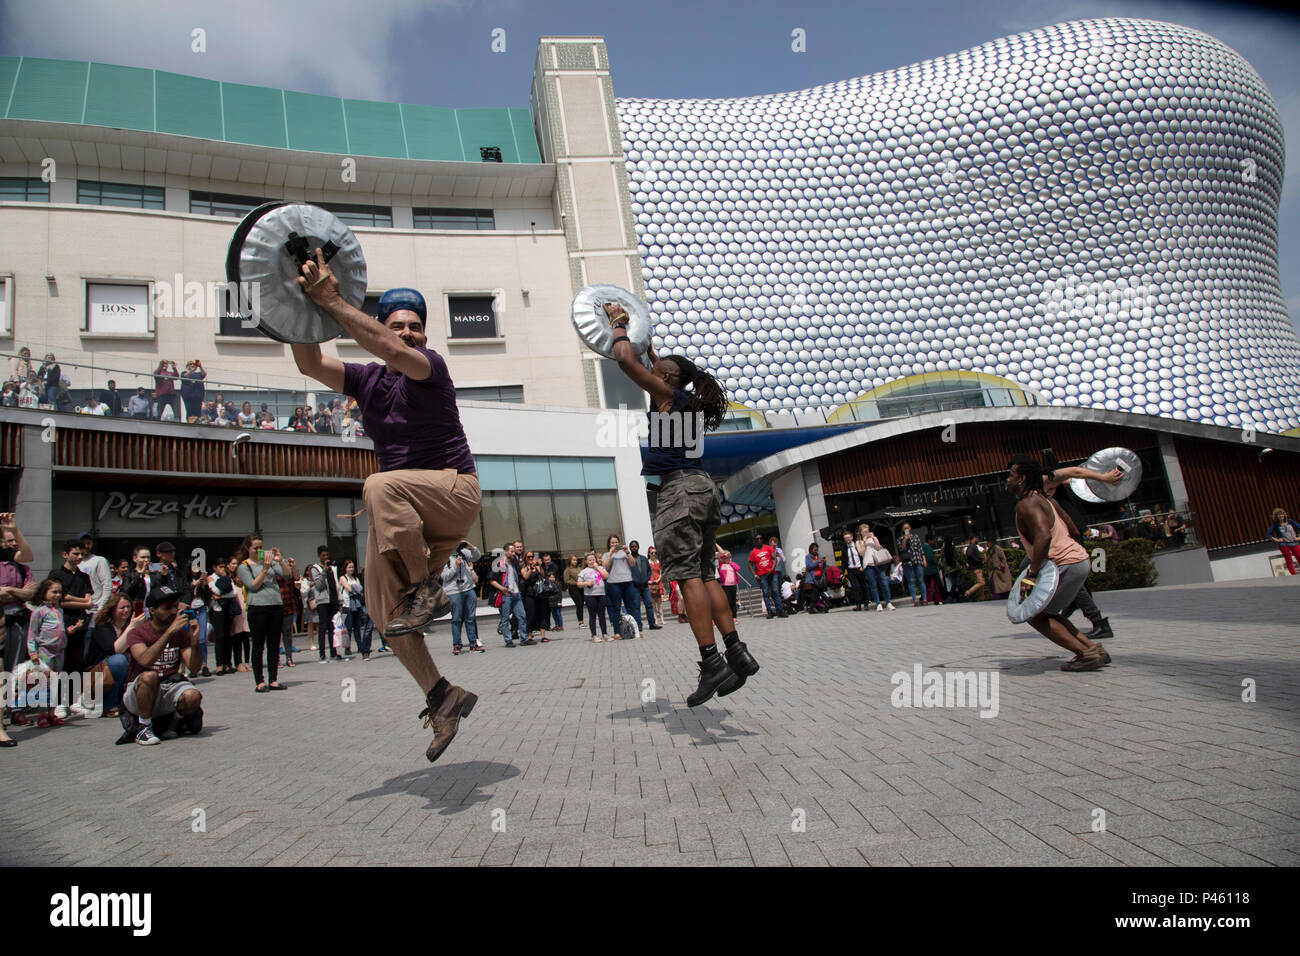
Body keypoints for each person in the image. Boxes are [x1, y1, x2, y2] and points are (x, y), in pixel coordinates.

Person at [293, 262, 482, 764]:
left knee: (377, 485)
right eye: (396, 324)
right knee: (385, 614)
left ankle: (427, 588)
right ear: (380, 327)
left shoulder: (430, 366)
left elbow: (393, 352)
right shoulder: (367, 379)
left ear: (424, 334)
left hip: (452, 492)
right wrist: (296, 309)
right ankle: (442, 696)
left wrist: (332, 301)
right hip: (406, 517)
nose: (405, 333)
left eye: (414, 326)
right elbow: (311, 364)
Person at [604, 299, 759, 705]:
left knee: (687, 576)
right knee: (706, 575)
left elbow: (623, 359)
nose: (651, 371)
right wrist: (652, 351)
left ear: (666, 377)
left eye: (656, 370)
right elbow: (656, 363)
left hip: (679, 492)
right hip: (704, 489)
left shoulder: (667, 394)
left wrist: (618, 324)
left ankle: (712, 664)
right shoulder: (684, 398)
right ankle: (736, 651)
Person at [1007, 454, 1111, 672]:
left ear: (1022, 479)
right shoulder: (1046, 499)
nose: (1007, 479)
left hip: (1064, 563)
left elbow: (1043, 536)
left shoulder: (1026, 504)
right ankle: (1094, 649)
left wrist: (1032, 574)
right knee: (1049, 614)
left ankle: (1086, 655)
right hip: (1075, 560)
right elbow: (1073, 528)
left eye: (1011, 475)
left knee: (1036, 616)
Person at [121, 585, 203, 745]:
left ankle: (175, 722)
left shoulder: (180, 633)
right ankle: (144, 728)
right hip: (140, 691)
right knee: (150, 676)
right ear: (152, 610)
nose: (173, 612)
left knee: (193, 696)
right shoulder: (138, 633)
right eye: (167, 608)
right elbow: (145, 661)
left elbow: (194, 668)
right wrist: (169, 633)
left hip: (167, 687)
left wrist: (195, 642)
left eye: (174, 607)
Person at [24, 579, 82, 727]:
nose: (57, 595)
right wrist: (33, 652)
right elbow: (32, 633)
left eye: (59, 592)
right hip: (45, 652)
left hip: (59, 652)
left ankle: (52, 712)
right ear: (44, 593)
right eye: (54, 592)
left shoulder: (59, 610)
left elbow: (59, 630)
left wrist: (71, 629)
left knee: (55, 682)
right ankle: (42, 714)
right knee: (44, 683)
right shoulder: (39, 611)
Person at [235, 534, 287, 692]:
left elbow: (287, 574)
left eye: (260, 547)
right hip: (257, 607)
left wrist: (280, 559)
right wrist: (264, 569)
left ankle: (273, 680)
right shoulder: (244, 566)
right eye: (255, 548)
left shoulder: (269, 562)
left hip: (275, 605)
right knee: (258, 645)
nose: (258, 550)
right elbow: (252, 586)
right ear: (247, 549)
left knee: (273, 644)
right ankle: (259, 681)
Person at [82, 593, 134, 718]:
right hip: (98, 675)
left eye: (128, 607)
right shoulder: (102, 627)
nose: (126, 610)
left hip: (118, 672)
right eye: (122, 608)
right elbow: (114, 650)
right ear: (113, 609)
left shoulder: (128, 626)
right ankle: (108, 705)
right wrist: (131, 627)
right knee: (119, 661)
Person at [0, 514, 37, 680]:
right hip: (2, 619)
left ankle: (10, 702)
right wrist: (18, 591)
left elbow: (30, 593)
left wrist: (9, 590)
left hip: (19, 622)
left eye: (15, 540)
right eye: (10, 541)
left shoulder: (23, 568)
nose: (14, 544)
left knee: (16, 667)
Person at [443, 541, 483, 655]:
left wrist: (471, 546)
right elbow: (444, 577)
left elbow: (477, 556)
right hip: (454, 592)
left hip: (468, 589)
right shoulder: (443, 557)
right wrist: (455, 566)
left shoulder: (463, 553)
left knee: (470, 618)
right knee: (456, 619)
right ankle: (457, 644)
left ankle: (473, 643)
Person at [489, 542, 527, 647]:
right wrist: (502, 588)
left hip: (516, 593)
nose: (514, 553)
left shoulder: (514, 562)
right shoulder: (499, 564)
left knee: (522, 615)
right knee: (505, 618)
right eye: (511, 551)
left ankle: (524, 639)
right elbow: (491, 579)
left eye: (514, 551)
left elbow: (521, 574)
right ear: (505, 551)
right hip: (506, 594)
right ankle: (508, 640)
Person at [602, 535, 638, 634]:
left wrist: (627, 552)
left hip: (627, 582)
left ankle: (635, 630)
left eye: (616, 542)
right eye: (612, 543)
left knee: (631, 606)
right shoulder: (606, 554)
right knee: (616, 608)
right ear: (609, 544)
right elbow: (605, 566)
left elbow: (633, 563)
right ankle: (617, 632)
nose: (615, 544)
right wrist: (610, 553)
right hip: (613, 583)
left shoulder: (624, 553)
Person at [856, 523, 895, 611]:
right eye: (864, 532)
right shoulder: (859, 542)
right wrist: (865, 542)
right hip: (868, 564)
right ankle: (878, 603)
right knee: (873, 585)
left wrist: (874, 539)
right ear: (861, 532)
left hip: (878, 563)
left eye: (867, 531)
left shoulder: (874, 538)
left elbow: (879, 548)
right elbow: (861, 553)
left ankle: (888, 602)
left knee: (884, 583)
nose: (866, 533)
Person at [208, 556, 236, 674]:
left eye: (224, 567)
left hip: (227, 610)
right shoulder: (211, 578)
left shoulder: (227, 577)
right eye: (220, 567)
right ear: (214, 568)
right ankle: (219, 664)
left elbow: (233, 593)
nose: (223, 569)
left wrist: (222, 596)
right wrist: (221, 593)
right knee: (220, 637)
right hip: (216, 610)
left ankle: (227, 663)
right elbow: (215, 591)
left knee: (228, 637)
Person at [748, 533, 783, 619]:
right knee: (766, 593)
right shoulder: (753, 552)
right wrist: (755, 574)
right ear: (755, 541)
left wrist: (772, 568)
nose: (759, 540)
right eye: (757, 539)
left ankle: (780, 611)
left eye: (760, 538)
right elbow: (750, 564)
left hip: (772, 573)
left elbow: (774, 559)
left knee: (775, 591)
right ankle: (770, 612)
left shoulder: (768, 548)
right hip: (762, 575)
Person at [577, 551, 610, 642]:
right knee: (593, 616)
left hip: (601, 594)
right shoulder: (584, 571)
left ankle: (605, 634)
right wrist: (586, 583)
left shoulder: (600, 568)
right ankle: (594, 635)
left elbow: (606, 576)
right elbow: (579, 584)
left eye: (593, 559)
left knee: (602, 615)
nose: (592, 561)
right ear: (586, 562)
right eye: (590, 560)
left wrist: (597, 567)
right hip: (590, 596)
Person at [627, 540, 660, 630]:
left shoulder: (644, 559)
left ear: (638, 547)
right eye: (632, 547)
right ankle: (639, 625)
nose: (634, 548)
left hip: (645, 585)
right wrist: (632, 580)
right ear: (630, 548)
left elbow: (649, 570)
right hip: (635, 586)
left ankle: (652, 624)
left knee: (649, 604)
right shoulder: (628, 559)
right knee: (636, 606)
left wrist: (647, 578)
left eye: (635, 546)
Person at [278, 556, 302, 667]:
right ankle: (276, 658)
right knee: (275, 634)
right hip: (276, 604)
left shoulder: (288, 570)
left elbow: (297, 577)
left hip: (289, 603)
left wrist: (294, 566)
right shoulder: (272, 571)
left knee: (287, 632)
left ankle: (289, 657)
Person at [339, 559, 365, 657]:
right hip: (346, 606)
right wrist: (355, 588)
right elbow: (350, 589)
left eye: (352, 567)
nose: (351, 569)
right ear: (345, 568)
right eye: (349, 567)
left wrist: (355, 588)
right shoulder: (342, 578)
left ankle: (360, 646)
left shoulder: (355, 578)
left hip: (356, 605)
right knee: (347, 628)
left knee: (357, 627)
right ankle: (347, 648)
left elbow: (360, 590)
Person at [899, 523, 927, 607]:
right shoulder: (900, 538)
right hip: (907, 562)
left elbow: (920, 549)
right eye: (904, 528)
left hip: (917, 559)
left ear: (910, 528)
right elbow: (901, 549)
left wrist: (924, 559)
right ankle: (915, 599)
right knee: (911, 581)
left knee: (921, 580)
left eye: (907, 528)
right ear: (902, 530)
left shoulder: (915, 537)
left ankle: (925, 599)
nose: (906, 529)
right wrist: (904, 540)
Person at [1268, 507, 1300, 575]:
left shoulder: (1290, 521)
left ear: (1284, 515)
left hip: (1294, 542)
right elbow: (1268, 534)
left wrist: (1299, 537)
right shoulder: (1275, 524)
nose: (1281, 516)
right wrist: (1277, 539)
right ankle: (1293, 575)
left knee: (1299, 557)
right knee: (1289, 560)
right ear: (1276, 516)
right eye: (1279, 515)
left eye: (1282, 514)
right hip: (1284, 544)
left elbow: (1299, 527)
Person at [842, 529, 868, 611]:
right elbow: (844, 561)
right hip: (851, 570)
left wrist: (863, 566)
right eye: (845, 538)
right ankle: (858, 605)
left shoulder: (857, 545)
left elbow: (863, 555)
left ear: (852, 537)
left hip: (859, 568)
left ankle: (866, 603)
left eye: (848, 537)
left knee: (863, 586)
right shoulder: (844, 548)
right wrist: (842, 572)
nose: (847, 539)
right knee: (855, 587)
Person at [716, 549, 741, 617]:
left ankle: (734, 616)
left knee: (733, 601)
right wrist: (724, 556)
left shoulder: (732, 564)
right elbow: (719, 557)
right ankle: (729, 616)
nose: (726, 558)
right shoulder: (721, 564)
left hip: (733, 585)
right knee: (728, 601)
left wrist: (730, 562)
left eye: (727, 557)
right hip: (725, 586)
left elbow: (738, 568)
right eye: (725, 557)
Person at [563, 554, 584, 629]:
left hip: (581, 588)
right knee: (579, 604)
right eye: (573, 560)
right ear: (570, 561)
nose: (575, 561)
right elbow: (566, 581)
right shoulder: (567, 570)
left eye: (576, 560)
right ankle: (580, 622)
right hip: (573, 588)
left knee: (582, 604)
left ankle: (582, 621)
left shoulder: (579, 568)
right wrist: (576, 583)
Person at [647, 546, 664, 628]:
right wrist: (648, 581)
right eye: (652, 553)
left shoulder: (658, 562)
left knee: (660, 602)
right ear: (649, 554)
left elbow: (661, 572)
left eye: (655, 553)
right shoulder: (647, 562)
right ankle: (655, 619)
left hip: (658, 582)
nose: (654, 554)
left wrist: (659, 579)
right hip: (651, 583)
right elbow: (645, 573)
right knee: (653, 603)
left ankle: (662, 619)